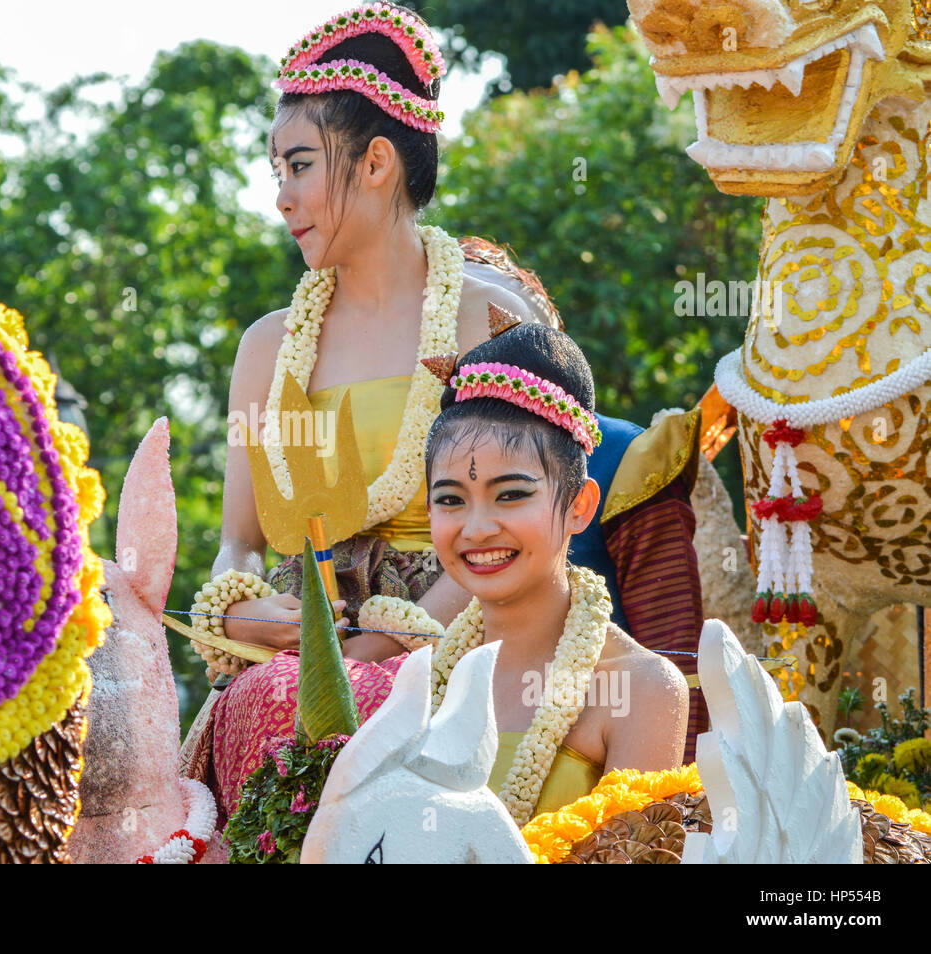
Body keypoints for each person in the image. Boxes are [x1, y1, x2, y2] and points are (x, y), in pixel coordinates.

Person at [180, 3, 707, 774]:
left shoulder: (486, 316)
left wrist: (384, 646)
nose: (281, 198)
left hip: (463, 642)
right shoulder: (266, 347)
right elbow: (241, 537)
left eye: (299, 166)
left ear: (376, 163)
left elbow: (532, 512)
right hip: (295, 662)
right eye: (276, 173)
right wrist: (246, 606)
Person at [205, 324, 689, 822]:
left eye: (512, 495)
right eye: (451, 500)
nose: (477, 529)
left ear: (580, 506)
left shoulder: (640, 688)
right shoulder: (409, 681)